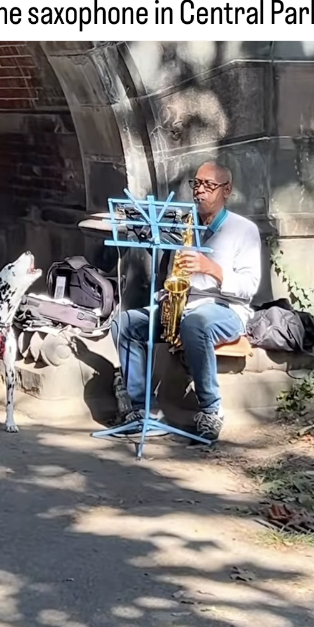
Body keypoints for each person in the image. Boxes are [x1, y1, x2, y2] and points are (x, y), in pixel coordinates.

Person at [110, 160, 262, 442]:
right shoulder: (184, 226)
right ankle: (143, 410)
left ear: (226, 190)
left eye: (209, 185)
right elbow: (174, 275)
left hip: (224, 309)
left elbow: (249, 287)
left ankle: (211, 410)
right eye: (197, 184)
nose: (199, 191)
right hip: (181, 304)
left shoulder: (245, 230)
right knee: (125, 323)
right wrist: (168, 295)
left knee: (195, 323)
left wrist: (212, 269)